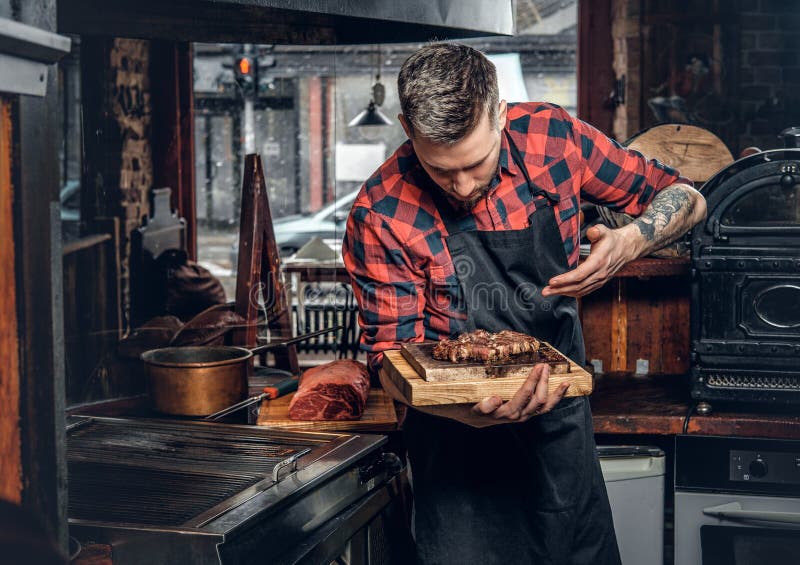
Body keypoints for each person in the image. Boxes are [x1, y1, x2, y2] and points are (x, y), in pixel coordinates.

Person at [342, 43, 706, 565]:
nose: (463, 186)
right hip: (455, 452)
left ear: (501, 113)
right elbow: (391, 360)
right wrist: (467, 411)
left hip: (557, 427)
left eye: (475, 163)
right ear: (406, 127)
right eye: (442, 171)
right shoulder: (381, 211)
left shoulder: (554, 141)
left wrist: (632, 241)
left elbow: (688, 197)